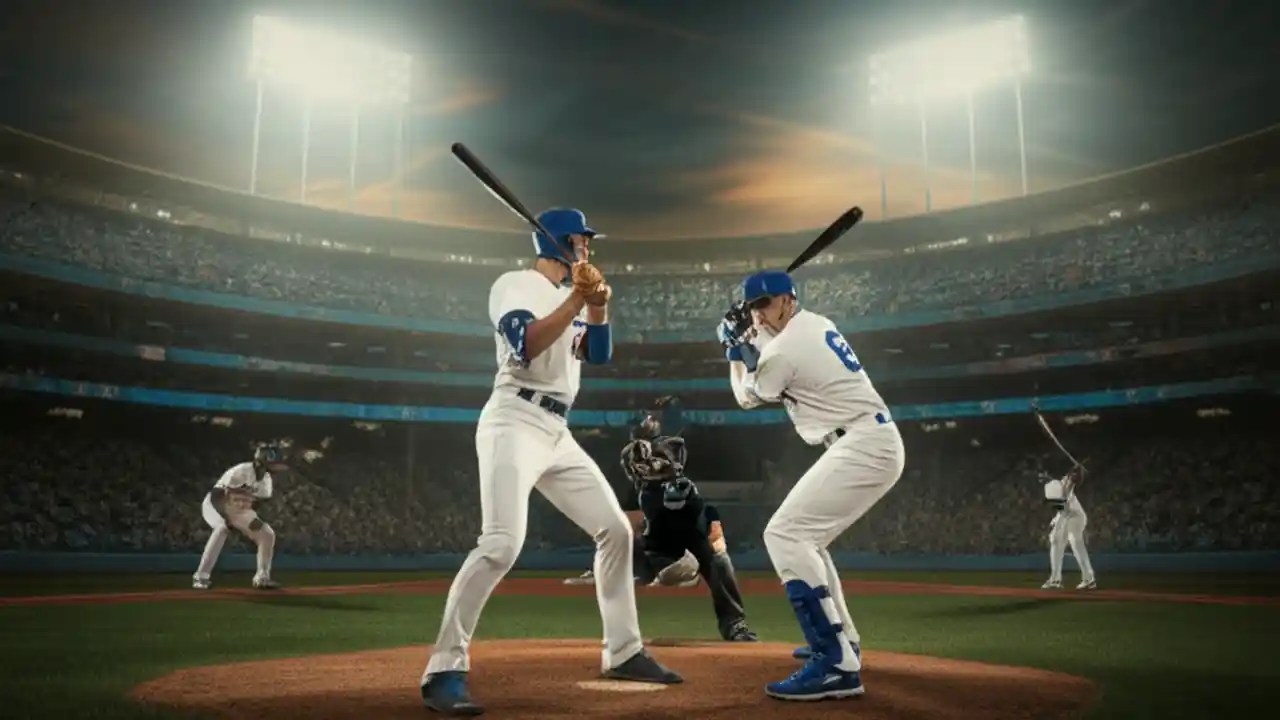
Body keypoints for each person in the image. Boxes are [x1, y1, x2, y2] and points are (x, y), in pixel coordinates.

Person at [421, 208, 682, 717]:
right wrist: (579, 299)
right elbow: (526, 343)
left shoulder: (571, 296)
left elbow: (597, 354)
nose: (589, 248)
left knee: (616, 530)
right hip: (514, 419)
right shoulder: (515, 284)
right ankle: (443, 669)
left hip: (557, 430)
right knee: (501, 544)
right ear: (561, 242)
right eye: (583, 240)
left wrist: (599, 305)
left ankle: (624, 651)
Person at [719, 270, 905, 702]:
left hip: (864, 443)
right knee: (808, 539)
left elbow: (749, 395)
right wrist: (742, 343)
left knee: (784, 534)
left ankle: (835, 661)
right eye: (753, 307)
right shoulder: (813, 324)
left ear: (788, 300)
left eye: (765, 304)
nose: (759, 314)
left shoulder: (787, 348)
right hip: (866, 439)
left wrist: (733, 349)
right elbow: (767, 354)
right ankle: (844, 641)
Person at [618, 414, 757, 641]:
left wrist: (713, 532)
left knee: (719, 561)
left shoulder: (682, 484)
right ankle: (621, 628)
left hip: (692, 537)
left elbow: (702, 513)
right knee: (628, 546)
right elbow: (632, 521)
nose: (658, 463)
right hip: (659, 544)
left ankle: (735, 625)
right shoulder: (641, 490)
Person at [192, 440, 290, 590]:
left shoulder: (266, 481)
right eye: (272, 463)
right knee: (222, 528)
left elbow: (258, 503)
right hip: (216, 505)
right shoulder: (240, 471)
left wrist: (252, 519)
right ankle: (201, 577)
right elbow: (217, 495)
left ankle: (262, 578)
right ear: (261, 462)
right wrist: (226, 518)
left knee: (267, 534)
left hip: (239, 509)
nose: (275, 468)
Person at [1040, 465, 1097, 590]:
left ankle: (1089, 578)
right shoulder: (1050, 489)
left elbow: (1071, 484)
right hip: (1065, 516)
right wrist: (1054, 522)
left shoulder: (1064, 483)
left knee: (1075, 541)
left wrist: (1075, 473)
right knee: (1055, 541)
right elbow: (1060, 509)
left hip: (1076, 516)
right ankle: (1055, 579)